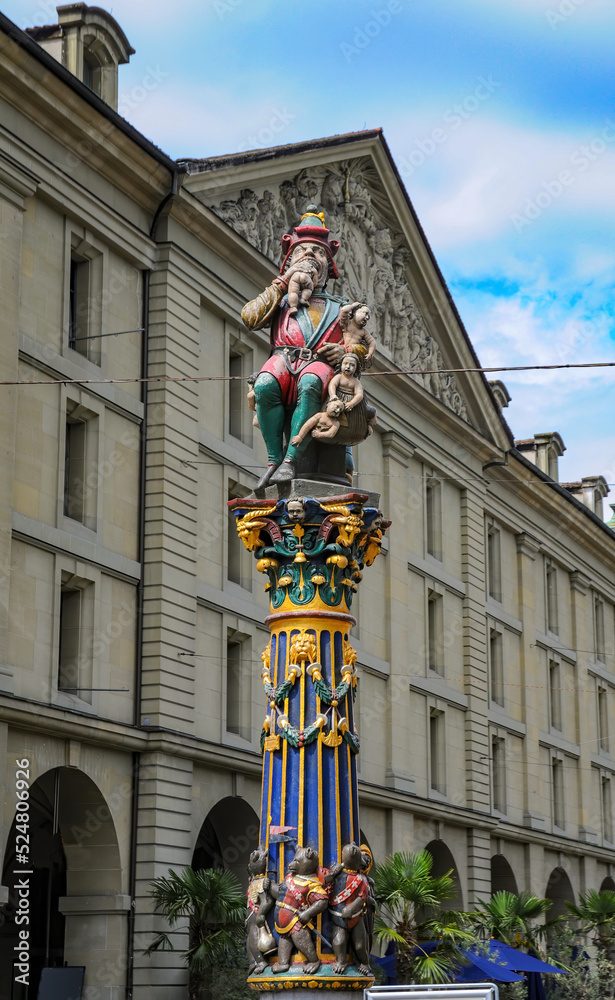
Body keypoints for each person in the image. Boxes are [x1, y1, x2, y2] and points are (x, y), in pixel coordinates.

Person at [241, 206, 346, 489]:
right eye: (302, 250)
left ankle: (291, 459)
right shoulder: (281, 300)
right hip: (283, 357)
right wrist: (282, 283)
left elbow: (360, 347)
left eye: (318, 251)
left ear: (329, 265)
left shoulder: (341, 307)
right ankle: (274, 460)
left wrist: (346, 353)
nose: (310, 255)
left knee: (311, 383)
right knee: (264, 385)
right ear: (290, 261)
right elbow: (249, 317)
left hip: (317, 363)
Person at [339, 301, 377, 367]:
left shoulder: (363, 331)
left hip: (350, 354)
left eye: (368, 317)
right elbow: (343, 310)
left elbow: (372, 342)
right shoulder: (347, 323)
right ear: (354, 313)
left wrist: (370, 354)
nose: (367, 318)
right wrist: (353, 306)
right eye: (365, 313)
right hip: (340, 350)